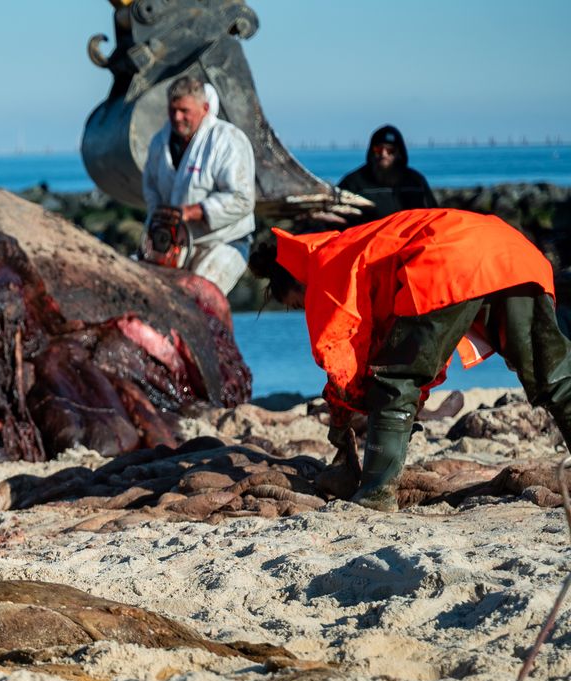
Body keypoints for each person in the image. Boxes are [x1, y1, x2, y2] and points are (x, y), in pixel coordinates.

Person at [249, 209, 571, 511]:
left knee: (395, 380)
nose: (304, 311)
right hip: (514, 251)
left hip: (452, 257)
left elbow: (341, 356)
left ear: (296, 282)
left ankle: (375, 493)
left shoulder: (323, 264)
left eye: (297, 304)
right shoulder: (353, 243)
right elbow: (408, 333)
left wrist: (339, 421)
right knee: (554, 375)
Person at [140, 75, 257, 297]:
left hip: (223, 242)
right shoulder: (159, 142)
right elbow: (151, 187)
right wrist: (159, 217)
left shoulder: (227, 140)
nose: (177, 117)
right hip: (176, 245)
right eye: (172, 110)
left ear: (204, 108)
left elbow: (242, 199)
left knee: (197, 299)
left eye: (185, 111)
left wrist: (194, 212)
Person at [338, 126, 436, 221]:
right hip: (369, 236)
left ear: (399, 153)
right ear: (371, 152)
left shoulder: (416, 182)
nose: (383, 154)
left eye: (390, 150)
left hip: (413, 236)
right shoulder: (353, 182)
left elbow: (433, 215)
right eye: (378, 150)